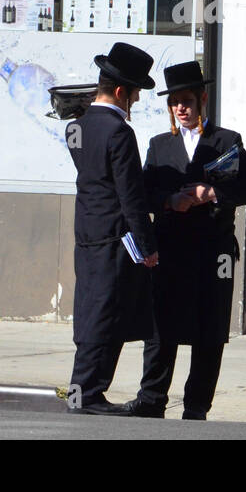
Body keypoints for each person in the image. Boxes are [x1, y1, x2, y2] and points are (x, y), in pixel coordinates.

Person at [127, 61, 246, 420]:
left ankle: (197, 405)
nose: (181, 108)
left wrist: (212, 192)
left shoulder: (226, 141)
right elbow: (143, 191)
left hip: (212, 248)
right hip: (170, 246)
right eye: (174, 102)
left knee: (209, 327)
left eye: (187, 100)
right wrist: (170, 200)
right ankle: (152, 398)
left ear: (202, 98)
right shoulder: (159, 145)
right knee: (161, 326)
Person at [64, 42, 159, 415]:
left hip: (87, 230)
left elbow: (90, 173)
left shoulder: (77, 126)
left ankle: (84, 392)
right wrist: (147, 244)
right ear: (121, 91)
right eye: (134, 93)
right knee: (106, 312)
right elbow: (129, 194)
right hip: (115, 235)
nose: (134, 101)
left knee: (91, 308)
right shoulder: (119, 132)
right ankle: (87, 392)